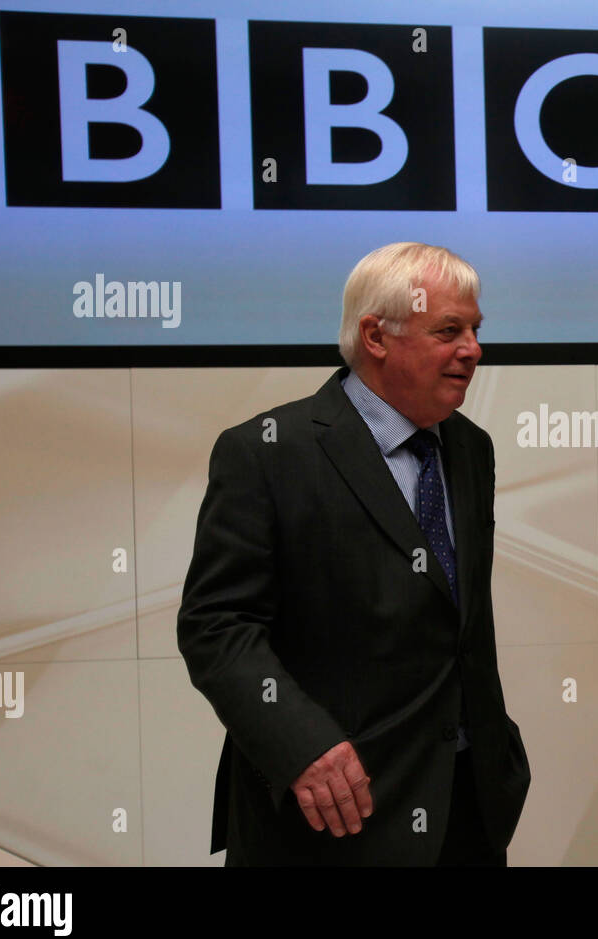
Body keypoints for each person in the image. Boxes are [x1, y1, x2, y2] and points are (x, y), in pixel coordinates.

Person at [177, 241, 529, 866]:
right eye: (449, 330)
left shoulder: (471, 448)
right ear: (375, 335)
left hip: (467, 810)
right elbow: (216, 628)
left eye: (475, 330)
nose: (473, 350)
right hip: (334, 817)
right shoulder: (268, 451)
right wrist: (301, 744)